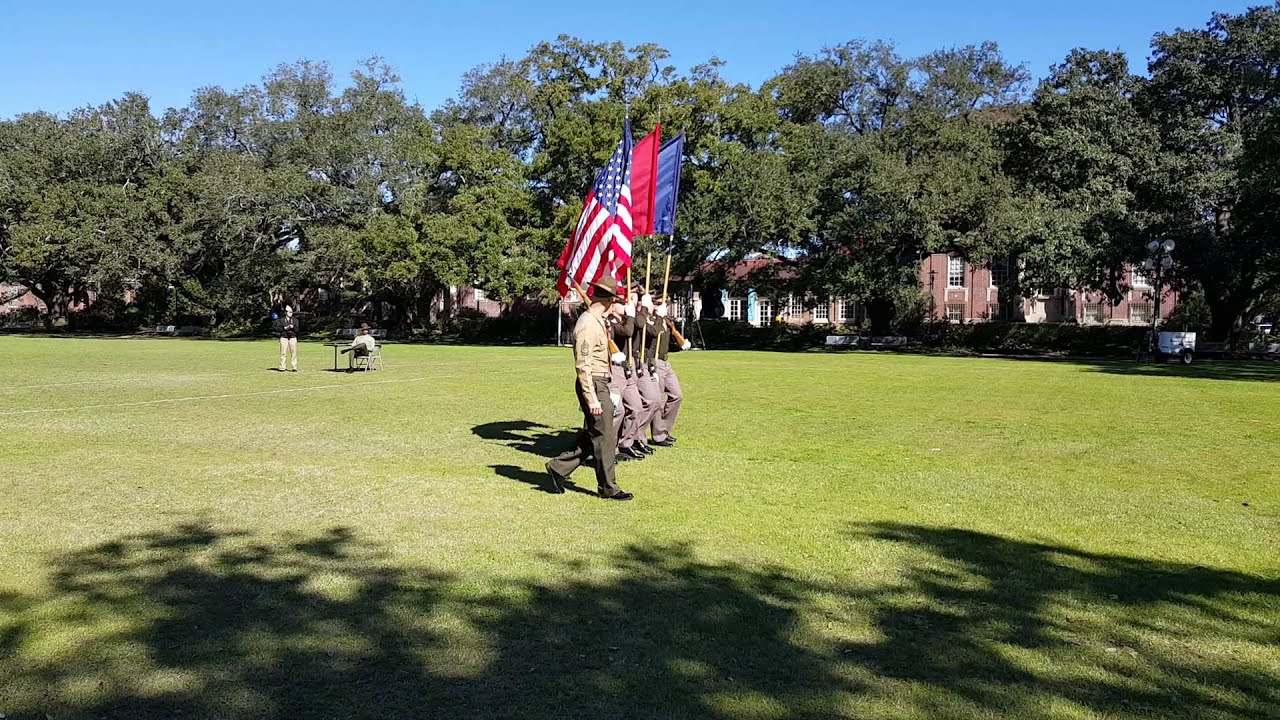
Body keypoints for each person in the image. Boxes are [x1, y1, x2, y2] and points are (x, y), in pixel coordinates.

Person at [546, 275, 633, 500]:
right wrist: (592, 398)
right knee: (605, 435)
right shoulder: (587, 324)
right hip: (593, 382)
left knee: (596, 432)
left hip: (600, 381)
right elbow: (582, 365)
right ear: (610, 301)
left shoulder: (597, 321)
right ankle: (608, 487)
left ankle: (558, 468)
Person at [607, 294, 645, 462]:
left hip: (627, 369)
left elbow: (639, 325)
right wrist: (630, 314)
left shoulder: (623, 320)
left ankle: (625, 443)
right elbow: (628, 332)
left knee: (636, 407)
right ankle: (609, 449)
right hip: (614, 370)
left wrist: (636, 312)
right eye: (623, 303)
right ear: (613, 306)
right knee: (616, 411)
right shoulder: (610, 322)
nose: (627, 305)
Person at [649, 296, 691, 447]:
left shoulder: (667, 321)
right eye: (658, 303)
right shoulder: (651, 320)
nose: (662, 306)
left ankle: (664, 430)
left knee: (677, 395)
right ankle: (658, 435)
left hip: (666, 362)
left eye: (664, 303)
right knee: (658, 400)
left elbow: (671, 342)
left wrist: (679, 339)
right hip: (655, 361)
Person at [631, 291, 663, 457]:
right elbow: (651, 331)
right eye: (652, 302)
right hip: (634, 362)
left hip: (646, 363)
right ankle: (633, 438)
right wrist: (659, 317)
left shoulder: (643, 316)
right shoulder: (638, 316)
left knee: (654, 401)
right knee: (642, 403)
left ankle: (637, 436)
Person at [274, 305, 300, 372]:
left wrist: (293, 327)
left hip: (293, 338)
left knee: (294, 353)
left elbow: (297, 330)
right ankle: (282, 367)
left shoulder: (295, 320)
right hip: (284, 337)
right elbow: (277, 329)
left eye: (292, 312)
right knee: (283, 353)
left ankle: (294, 367)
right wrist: (284, 328)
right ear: (286, 312)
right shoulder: (281, 320)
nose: (291, 313)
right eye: (289, 312)